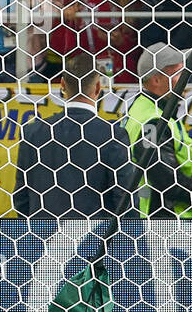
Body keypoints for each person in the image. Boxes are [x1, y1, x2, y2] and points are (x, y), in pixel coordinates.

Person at [12, 51, 134, 218]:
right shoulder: (113, 135)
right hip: (94, 241)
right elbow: (125, 201)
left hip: (44, 238)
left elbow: (21, 198)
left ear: (62, 85)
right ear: (98, 87)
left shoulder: (32, 133)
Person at [121, 42, 192, 218]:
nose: (185, 79)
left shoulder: (149, 109)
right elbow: (167, 182)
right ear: (156, 80)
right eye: (179, 73)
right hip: (162, 224)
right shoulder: (153, 121)